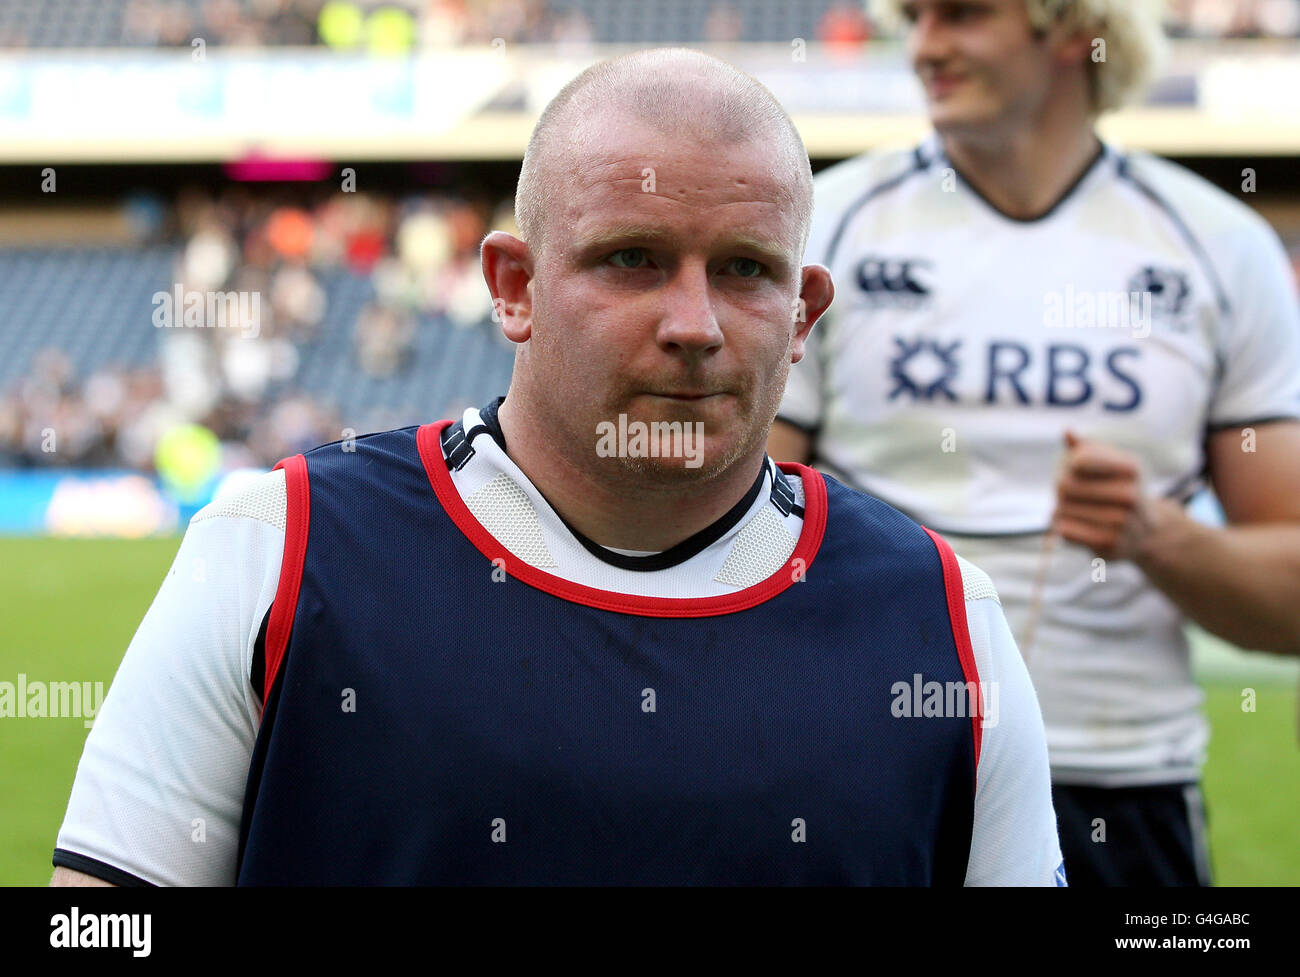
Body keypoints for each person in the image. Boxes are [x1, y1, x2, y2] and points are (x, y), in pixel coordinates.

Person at [52, 47, 1062, 886]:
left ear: (803, 314)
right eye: (632, 258)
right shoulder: (278, 548)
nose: (694, 324)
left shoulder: (944, 621)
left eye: (745, 270)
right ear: (514, 285)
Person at [769, 0, 1300, 886]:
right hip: (865, 761)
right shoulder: (827, 225)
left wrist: (1154, 535)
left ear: (1074, 28)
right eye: (915, 16)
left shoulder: (1221, 246)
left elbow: (1290, 598)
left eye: (962, 14)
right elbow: (736, 520)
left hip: (1120, 782)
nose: (925, 45)